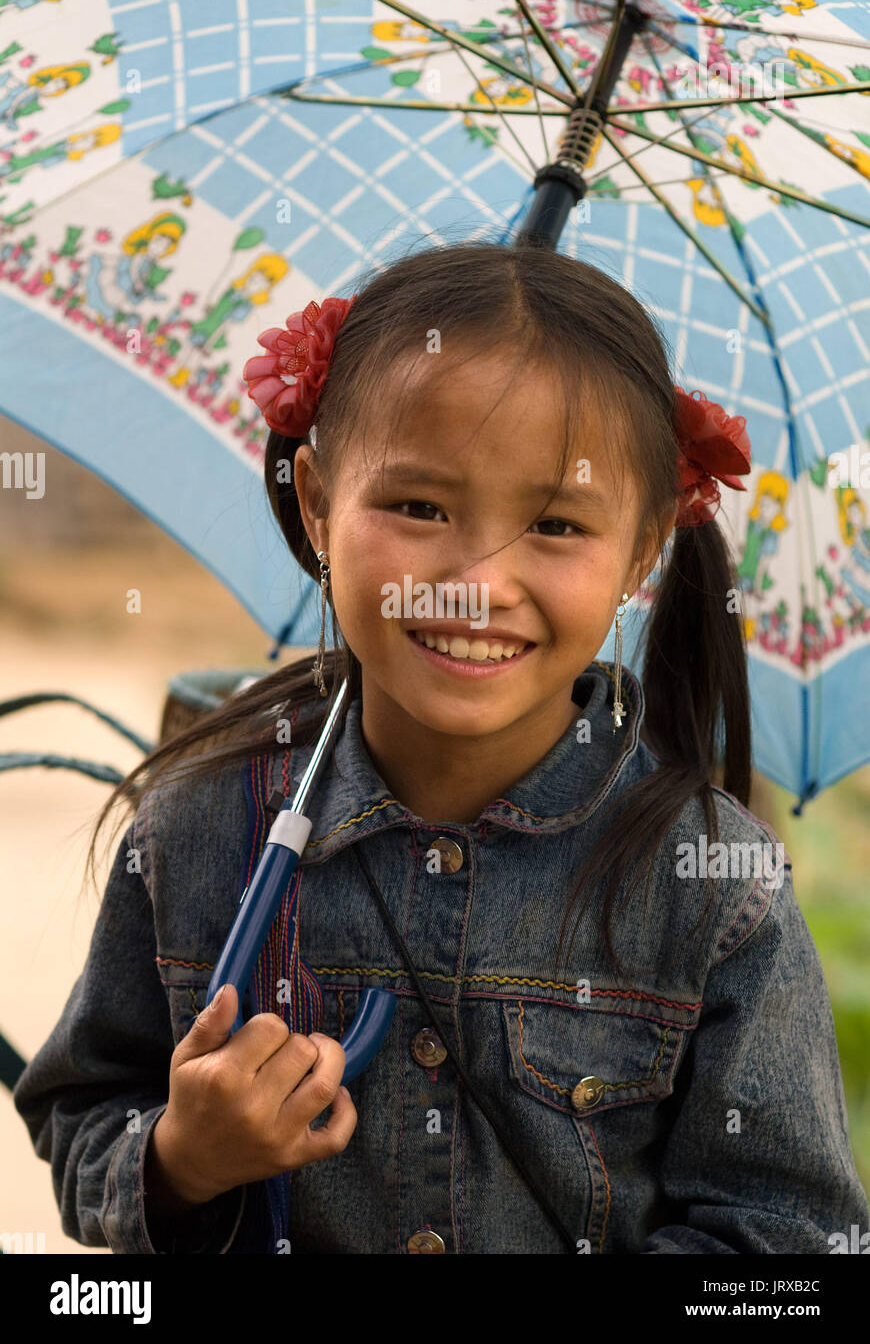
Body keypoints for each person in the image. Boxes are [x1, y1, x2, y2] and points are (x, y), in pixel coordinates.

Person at [13, 241, 868, 1254]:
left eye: (555, 523)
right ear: (320, 500)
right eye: (418, 507)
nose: (475, 580)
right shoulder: (201, 824)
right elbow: (82, 1116)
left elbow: (789, 1239)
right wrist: (181, 1160)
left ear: (642, 548)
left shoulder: (715, 894)